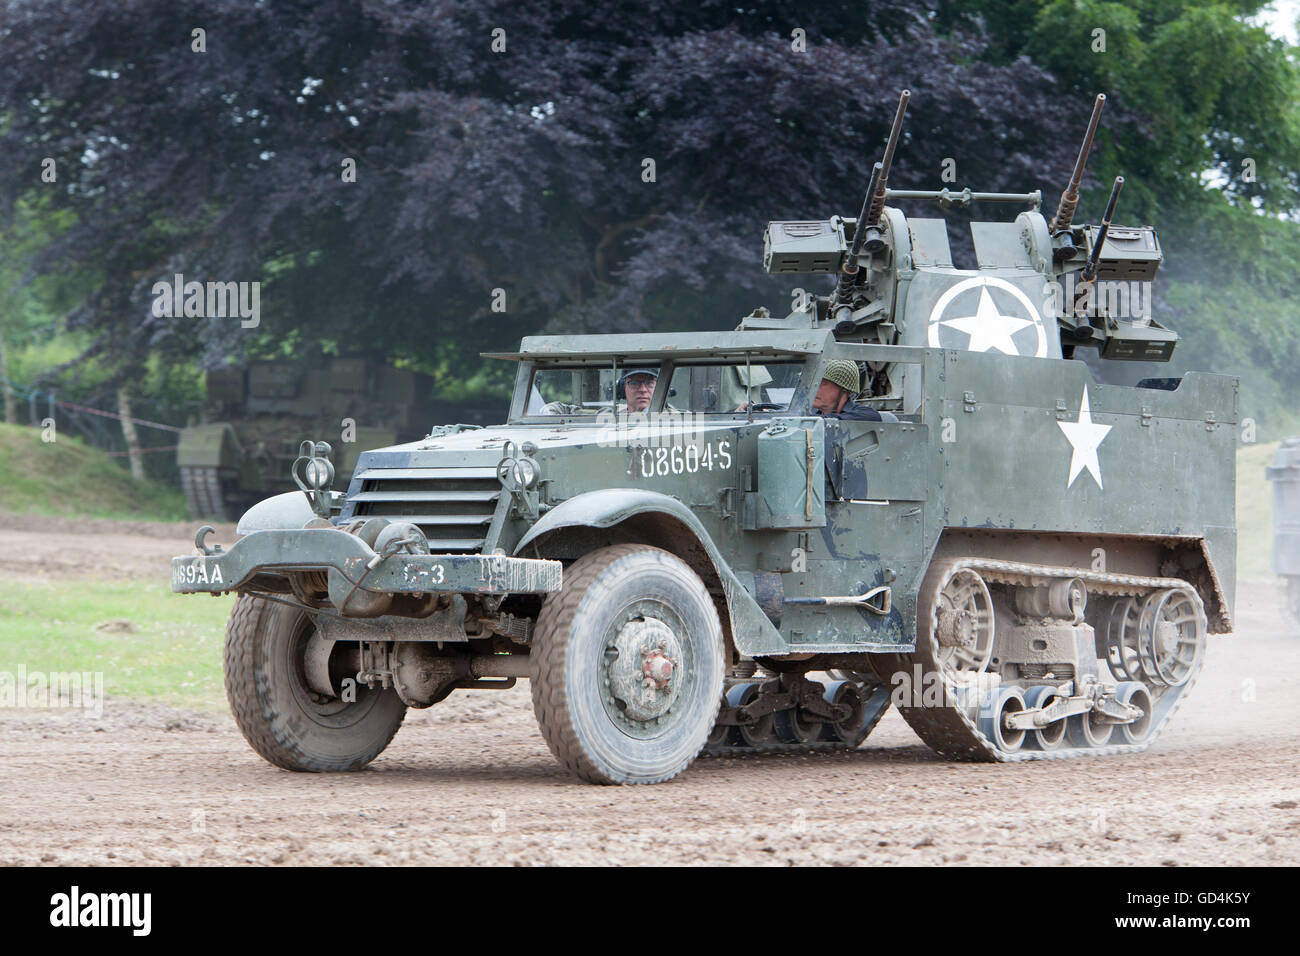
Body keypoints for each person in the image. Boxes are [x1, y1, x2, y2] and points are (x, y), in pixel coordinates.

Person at [812, 359, 883, 421]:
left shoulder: (864, 415)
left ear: (844, 389)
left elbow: (873, 417)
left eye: (823, 383)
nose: (815, 388)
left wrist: (817, 420)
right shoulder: (810, 412)